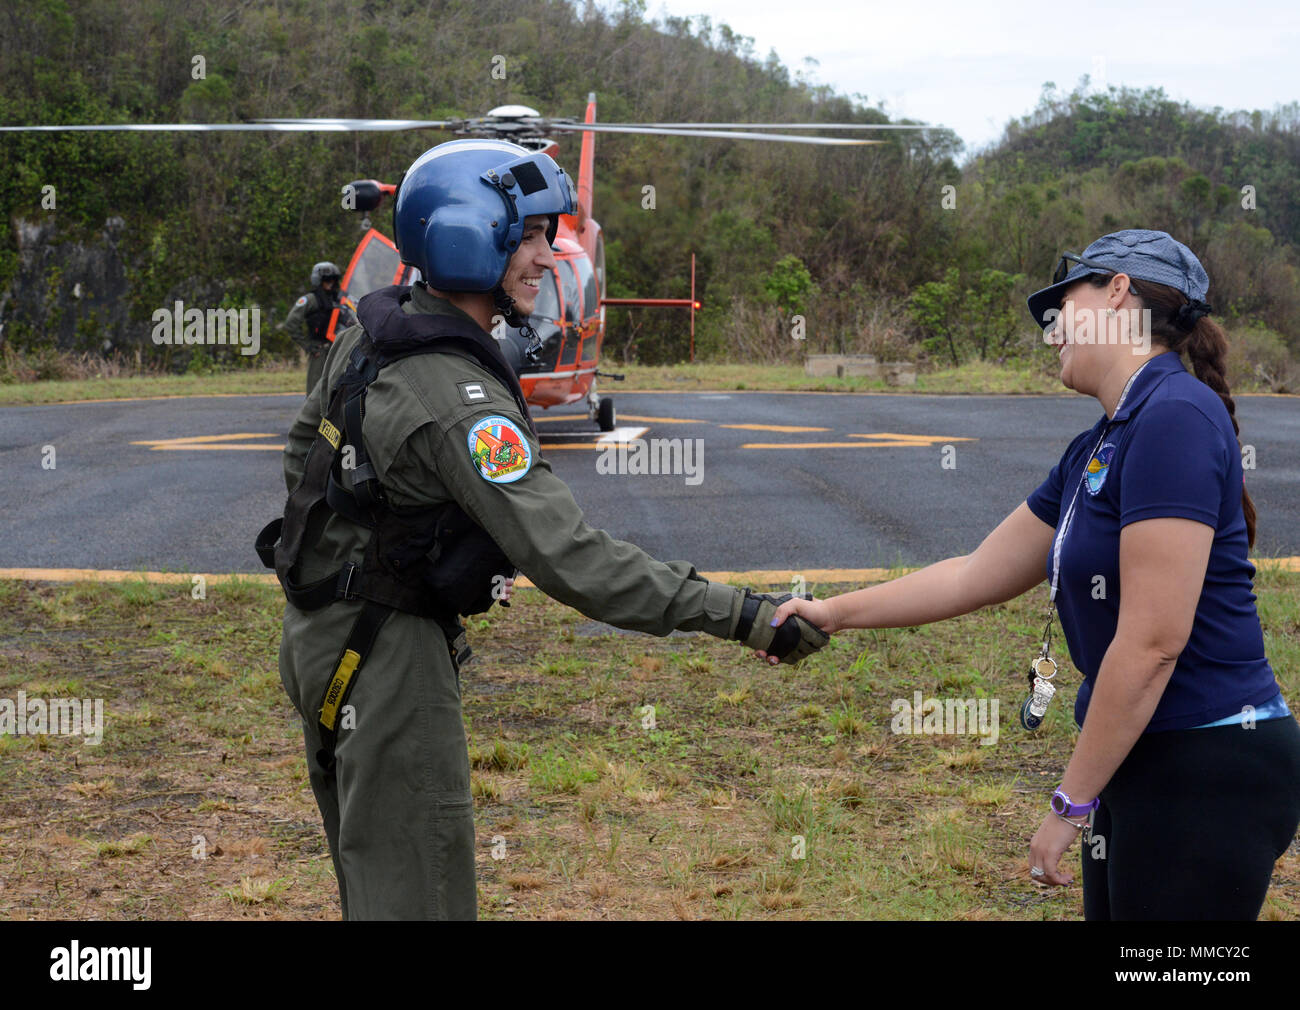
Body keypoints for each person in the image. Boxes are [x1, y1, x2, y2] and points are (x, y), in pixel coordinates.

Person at [256, 138, 828, 920]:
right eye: (527, 236)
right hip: (386, 661)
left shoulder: (373, 331)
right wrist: (741, 615)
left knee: (376, 881)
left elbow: (302, 457)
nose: (546, 254)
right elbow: (573, 558)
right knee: (420, 893)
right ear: (468, 236)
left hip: (319, 636)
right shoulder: (460, 401)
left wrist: (376, 544)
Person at [758, 229, 1300, 921]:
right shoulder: (1102, 442)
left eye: (1061, 307)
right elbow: (974, 572)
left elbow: (1153, 643)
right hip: (1144, 760)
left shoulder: (1175, 418)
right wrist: (832, 612)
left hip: (1208, 764)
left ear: (1118, 291)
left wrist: (1070, 804)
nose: (1051, 336)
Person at [283, 261, 358, 395]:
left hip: (339, 349)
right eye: (326, 280)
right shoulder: (310, 300)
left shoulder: (340, 299)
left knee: (341, 389)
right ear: (319, 280)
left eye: (333, 279)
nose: (330, 283)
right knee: (315, 392)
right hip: (320, 350)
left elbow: (354, 316)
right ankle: (314, 417)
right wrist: (308, 346)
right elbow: (291, 323)